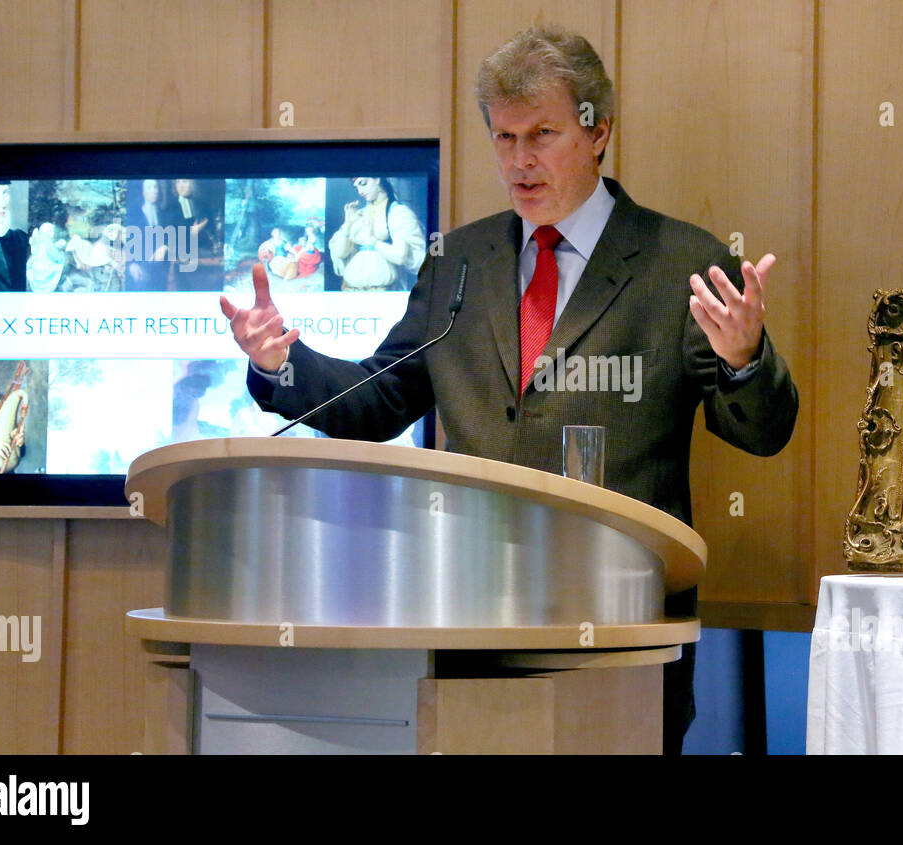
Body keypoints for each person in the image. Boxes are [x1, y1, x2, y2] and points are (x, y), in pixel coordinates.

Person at [220, 25, 798, 753]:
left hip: (619, 638)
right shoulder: (458, 261)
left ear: (599, 132)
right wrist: (285, 363)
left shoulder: (678, 263)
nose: (519, 161)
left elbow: (765, 430)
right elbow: (379, 400)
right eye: (503, 138)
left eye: (542, 134)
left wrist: (744, 356)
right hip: (466, 627)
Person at [328, 176, 427, 291]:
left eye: (363, 183)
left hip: (383, 290)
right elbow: (340, 254)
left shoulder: (398, 213)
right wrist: (348, 224)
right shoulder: (360, 214)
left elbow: (400, 257)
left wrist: (372, 241)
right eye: (357, 188)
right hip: (352, 289)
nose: (360, 191)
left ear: (377, 179)